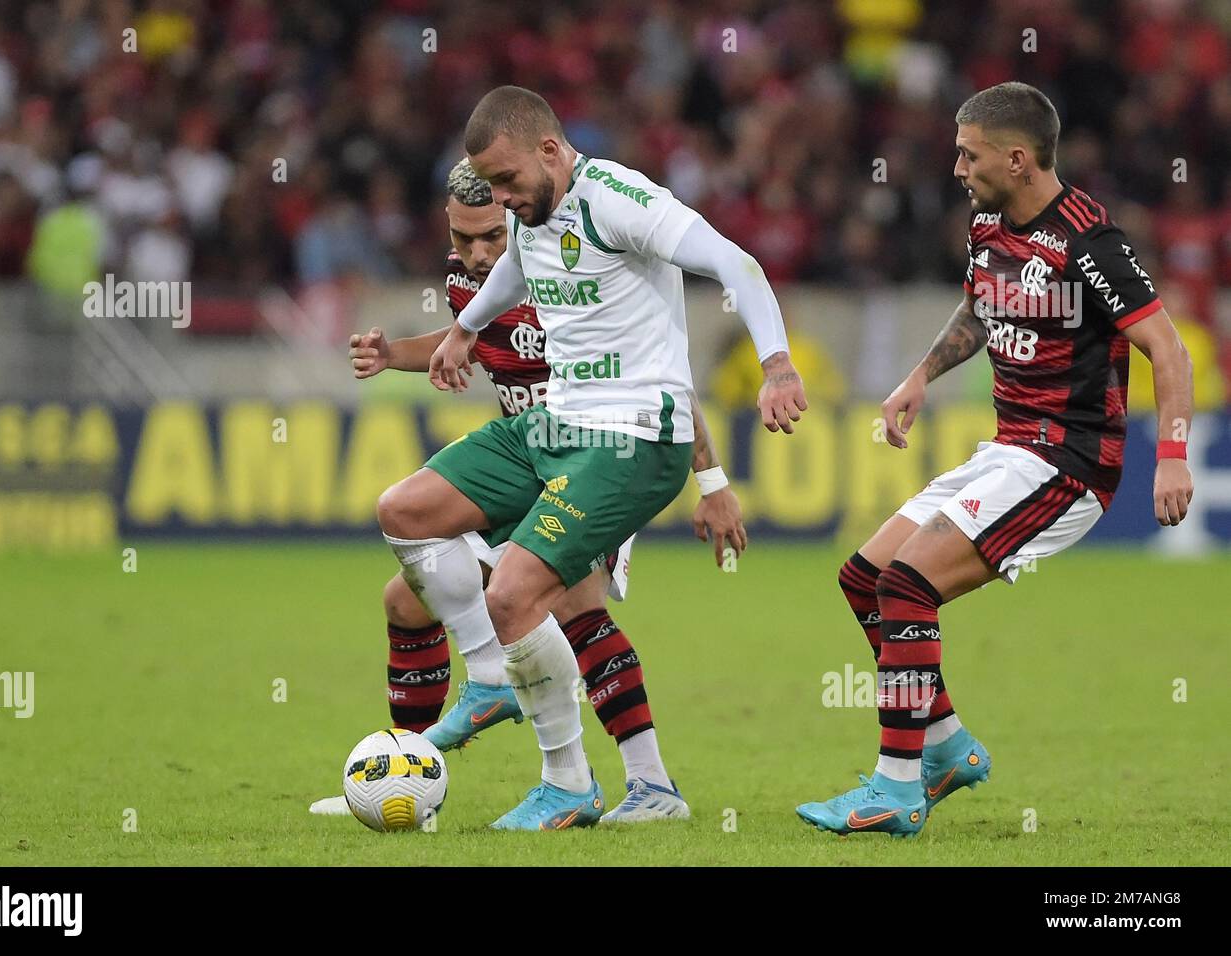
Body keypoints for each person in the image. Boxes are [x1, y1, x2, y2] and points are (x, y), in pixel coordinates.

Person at [379, 85, 807, 830]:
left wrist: (777, 367)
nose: (503, 200)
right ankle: (489, 678)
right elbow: (516, 267)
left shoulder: (620, 200)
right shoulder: (531, 216)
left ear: (551, 150)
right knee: (405, 511)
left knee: (518, 594)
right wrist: (464, 331)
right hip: (556, 425)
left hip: (633, 436)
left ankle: (570, 782)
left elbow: (738, 266)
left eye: (509, 181)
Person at [797, 82, 1195, 837]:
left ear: (1017, 159)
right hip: (1010, 446)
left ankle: (894, 789)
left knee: (909, 585)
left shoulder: (1091, 242)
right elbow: (982, 307)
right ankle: (944, 748)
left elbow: (1167, 349)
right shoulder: (986, 222)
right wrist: (920, 376)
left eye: (968, 153)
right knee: (865, 580)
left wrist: (1170, 458)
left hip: (1068, 460)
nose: (956, 166)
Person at [313, 158, 746, 824]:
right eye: (463, 239)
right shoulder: (469, 278)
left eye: (492, 236)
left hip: (601, 458)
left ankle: (648, 782)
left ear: (518, 213)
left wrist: (710, 480)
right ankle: (405, 773)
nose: (480, 255)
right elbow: (473, 335)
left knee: (571, 606)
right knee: (407, 600)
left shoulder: (567, 273)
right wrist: (394, 353)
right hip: (529, 452)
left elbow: (665, 375)